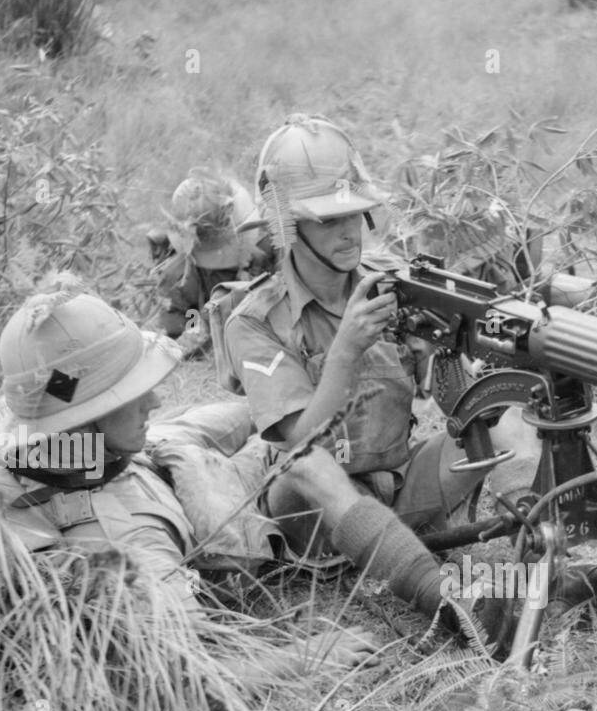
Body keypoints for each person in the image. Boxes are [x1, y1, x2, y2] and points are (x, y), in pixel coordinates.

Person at [221, 114, 545, 649]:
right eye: (326, 220)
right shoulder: (254, 320)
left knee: (510, 410)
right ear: (285, 226)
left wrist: (453, 357)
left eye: (355, 213)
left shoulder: (392, 281)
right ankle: (446, 599)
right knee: (307, 463)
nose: (349, 230)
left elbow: (453, 396)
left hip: (400, 487)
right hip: (312, 516)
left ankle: (538, 569)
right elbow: (298, 438)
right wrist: (346, 348)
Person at [0, 276, 375, 675]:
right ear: (84, 417)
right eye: (133, 391)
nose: (153, 398)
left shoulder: (40, 440)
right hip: (198, 491)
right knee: (285, 445)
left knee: (269, 414)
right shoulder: (130, 541)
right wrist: (307, 657)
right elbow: (189, 674)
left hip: (139, 455)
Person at [147, 170, 273, 354]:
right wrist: (195, 334)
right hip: (208, 315)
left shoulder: (267, 246)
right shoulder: (181, 275)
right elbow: (178, 322)